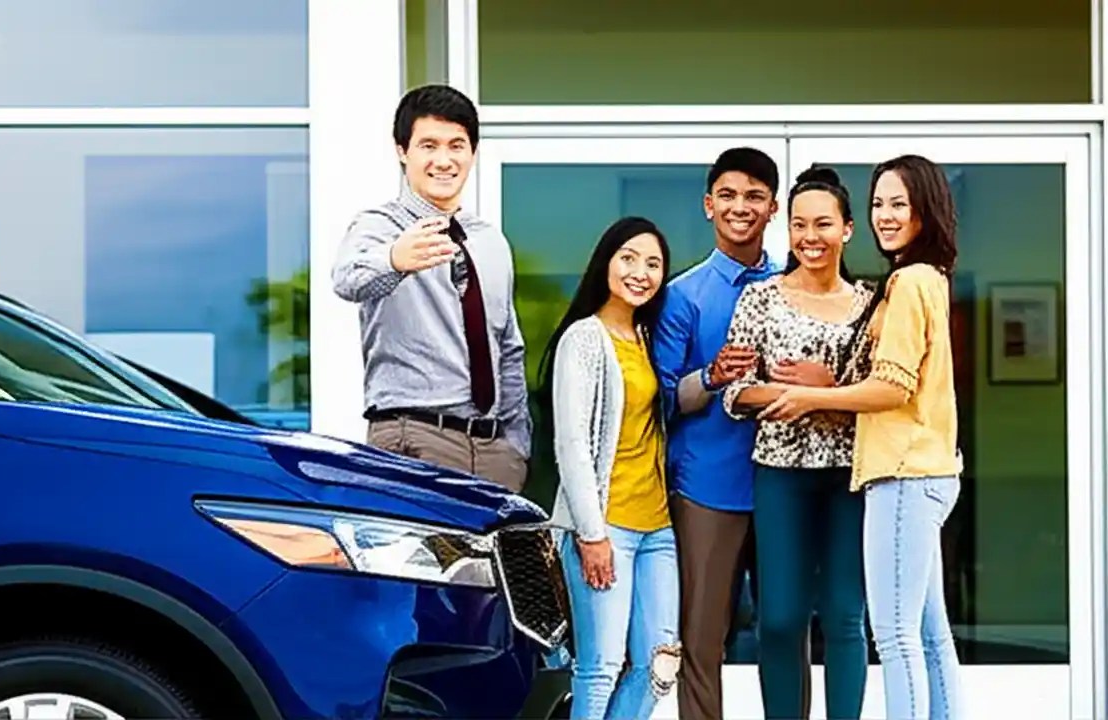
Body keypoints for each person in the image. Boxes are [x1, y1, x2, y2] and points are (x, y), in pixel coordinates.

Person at [759, 154, 964, 720]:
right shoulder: (932, 279)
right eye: (880, 203)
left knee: (895, 637)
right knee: (930, 635)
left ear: (927, 207)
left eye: (900, 203)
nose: (887, 215)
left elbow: (894, 385)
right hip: (932, 470)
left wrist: (814, 397)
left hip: (901, 473)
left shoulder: (906, 282)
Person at [721, 165, 874, 720]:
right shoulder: (761, 298)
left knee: (844, 615)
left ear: (848, 230)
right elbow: (735, 392)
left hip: (850, 476)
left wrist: (827, 391)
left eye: (824, 224)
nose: (811, 237)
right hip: (780, 471)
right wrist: (787, 391)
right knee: (780, 616)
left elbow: (883, 391)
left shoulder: (870, 306)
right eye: (800, 224)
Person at [330, 84, 531, 492]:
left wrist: (516, 446)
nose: (444, 160)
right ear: (402, 151)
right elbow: (346, 278)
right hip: (415, 438)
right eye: (428, 145)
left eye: (457, 145)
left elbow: (508, 347)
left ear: (472, 153)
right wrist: (393, 259)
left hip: (493, 451)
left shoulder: (489, 240)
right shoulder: (380, 226)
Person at [651, 147, 779, 720]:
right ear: (708, 205)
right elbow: (664, 399)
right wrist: (712, 376)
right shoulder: (682, 295)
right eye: (727, 195)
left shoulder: (793, 287)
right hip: (705, 487)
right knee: (702, 639)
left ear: (773, 207)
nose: (740, 207)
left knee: (784, 632)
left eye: (754, 196)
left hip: (785, 486)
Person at [538, 216, 680, 720]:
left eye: (654, 263)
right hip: (606, 524)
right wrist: (590, 533)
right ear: (606, 262)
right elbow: (572, 443)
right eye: (629, 258)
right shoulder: (585, 338)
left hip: (658, 526)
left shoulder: (647, 338)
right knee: (600, 666)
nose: (641, 272)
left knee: (659, 666)